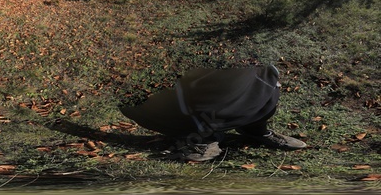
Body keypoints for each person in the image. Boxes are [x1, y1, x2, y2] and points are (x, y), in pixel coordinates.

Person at [119, 65, 307, 161]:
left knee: (260, 86)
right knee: (209, 94)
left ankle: (255, 129)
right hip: (192, 103)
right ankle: (202, 139)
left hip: (246, 79)